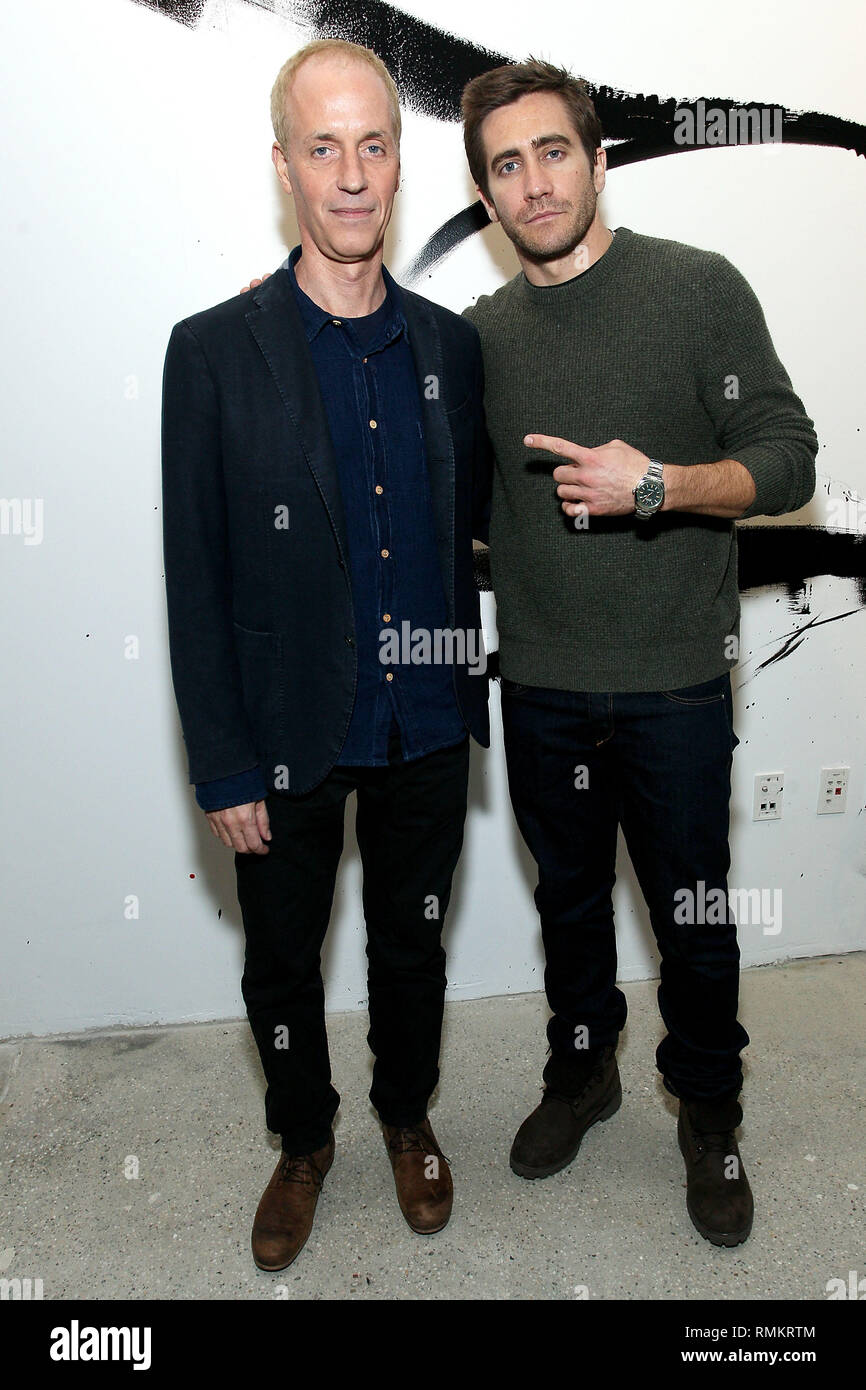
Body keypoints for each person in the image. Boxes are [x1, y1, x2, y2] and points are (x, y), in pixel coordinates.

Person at [458, 59, 818, 1247]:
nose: (532, 181)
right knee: (567, 907)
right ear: (487, 191)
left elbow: (786, 457)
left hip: (669, 679)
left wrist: (656, 484)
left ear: (596, 158)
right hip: (543, 684)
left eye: (551, 151)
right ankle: (582, 1073)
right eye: (504, 164)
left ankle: (707, 1111)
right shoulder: (476, 339)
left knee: (691, 916)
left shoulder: (695, 290)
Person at [161, 38, 492, 1273]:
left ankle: (407, 1117)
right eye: (323, 148)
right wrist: (222, 762)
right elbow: (194, 576)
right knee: (281, 960)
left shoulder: (452, 352)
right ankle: (304, 1139)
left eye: (373, 145)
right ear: (284, 166)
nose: (351, 175)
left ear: (399, 162)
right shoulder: (211, 351)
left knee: (413, 943)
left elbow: (470, 536)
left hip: (425, 720)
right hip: (285, 727)